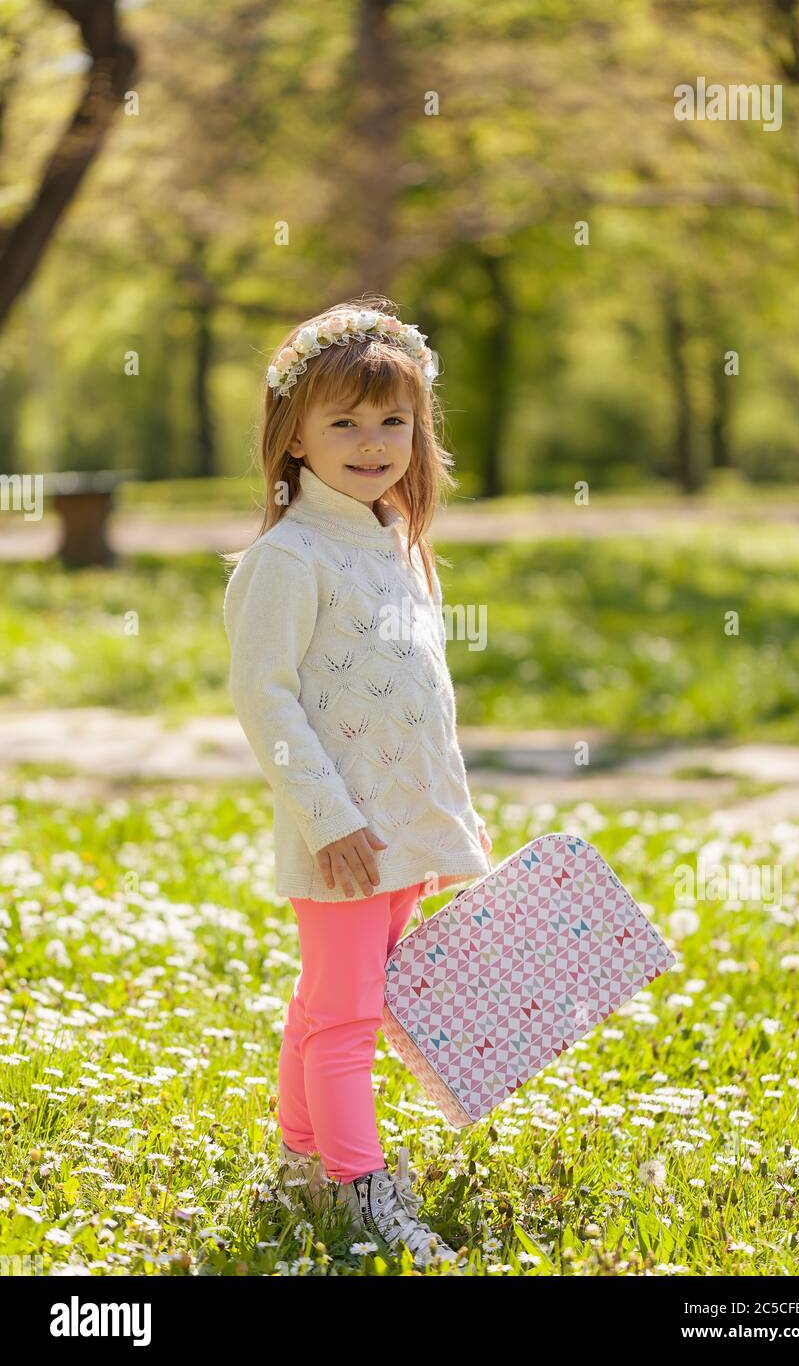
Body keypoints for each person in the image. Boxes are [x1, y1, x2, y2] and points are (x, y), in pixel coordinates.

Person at [222, 295, 493, 1267]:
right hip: (337, 831)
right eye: (342, 420)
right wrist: (330, 817)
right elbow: (266, 699)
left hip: (397, 833)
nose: (371, 441)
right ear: (292, 434)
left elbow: (421, 707)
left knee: (334, 1000)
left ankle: (303, 1152)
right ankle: (357, 1187)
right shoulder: (287, 559)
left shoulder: (396, 546)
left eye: (392, 420)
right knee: (345, 1015)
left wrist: (446, 824)